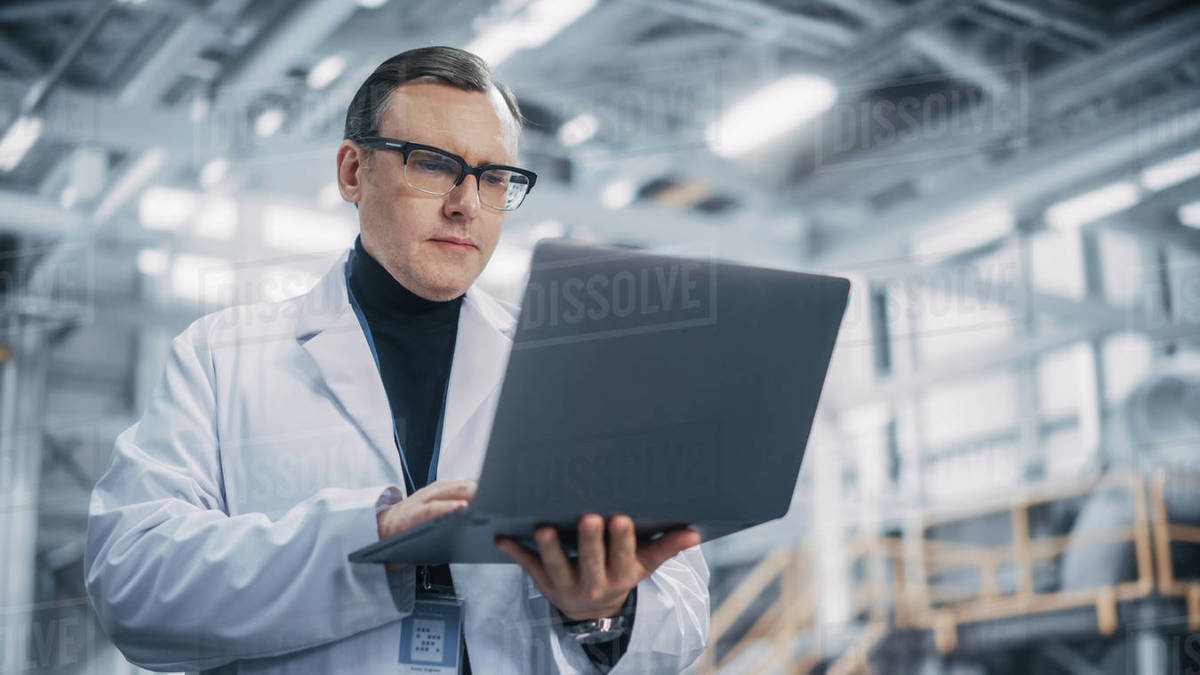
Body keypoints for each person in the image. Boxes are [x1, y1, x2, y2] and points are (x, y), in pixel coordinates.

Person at [84, 46, 710, 674]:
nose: (467, 203)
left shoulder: (574, 371)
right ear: (353, 172)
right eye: (434, 165)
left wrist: (604, 611)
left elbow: (683, 617)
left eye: (494, 178)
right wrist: (373, 538)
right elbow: (131, 584)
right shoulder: (223, 359)